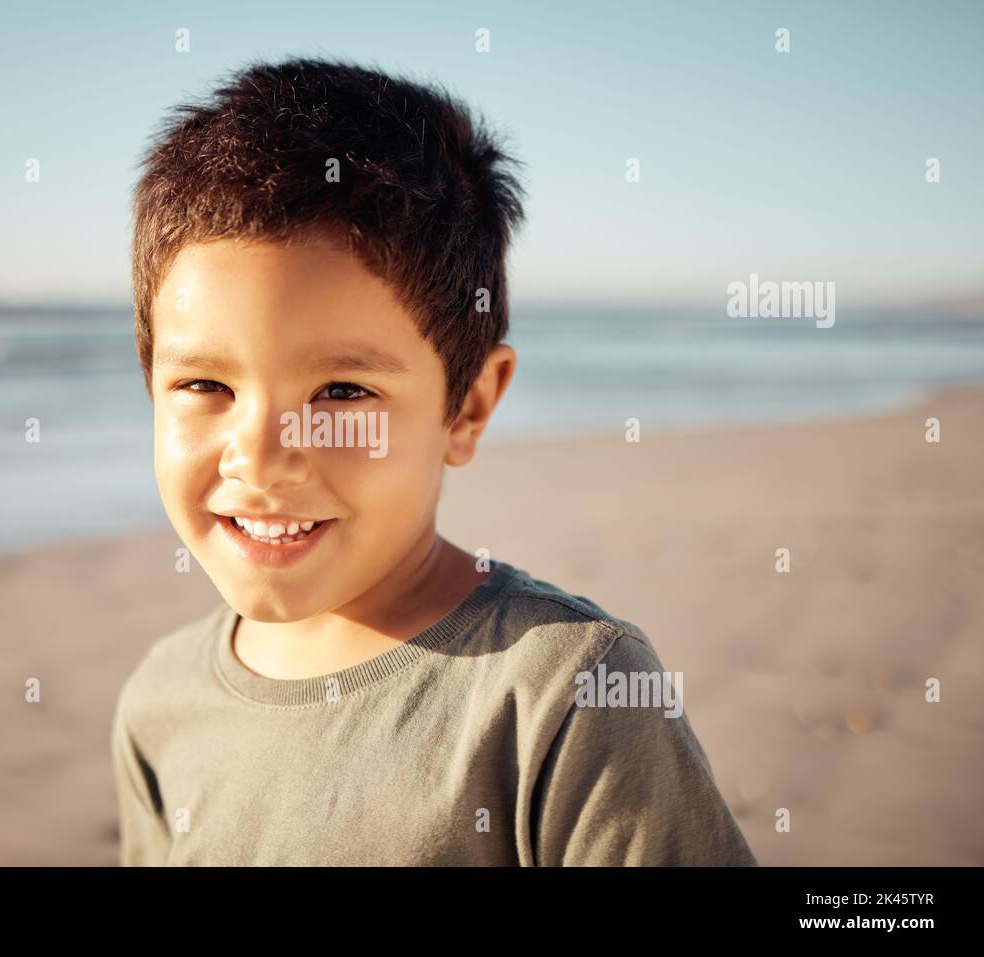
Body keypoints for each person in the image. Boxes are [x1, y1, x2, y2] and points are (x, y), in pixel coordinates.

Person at [111, 57, 756, 866]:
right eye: (205, 383)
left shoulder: (564, 696)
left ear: (470, 405)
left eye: (342, 392)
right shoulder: (158, 701)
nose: (263, 459)